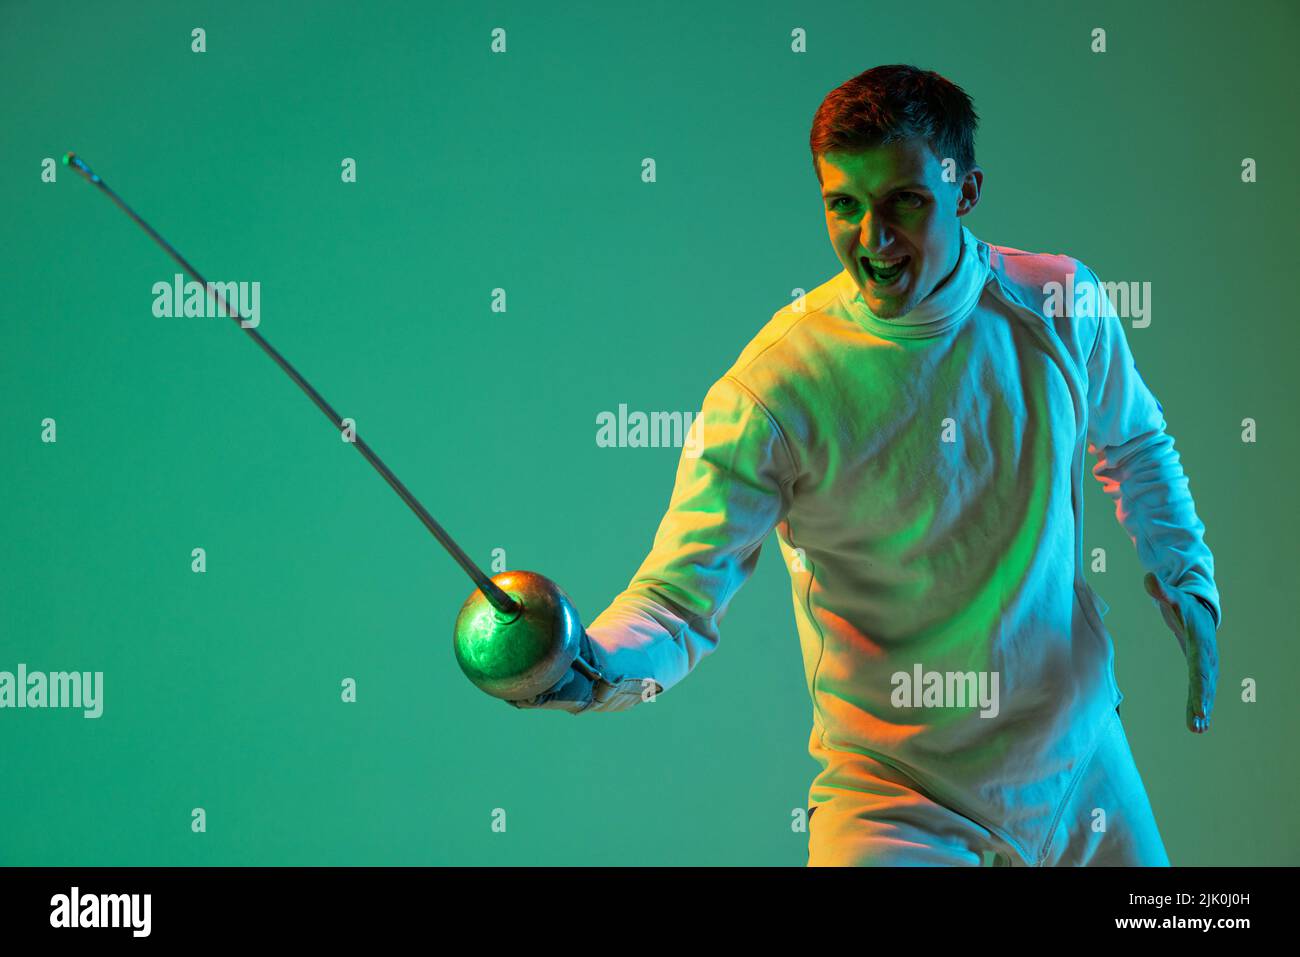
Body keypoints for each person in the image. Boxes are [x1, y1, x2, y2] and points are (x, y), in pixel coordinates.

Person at [509, 64, 1221, 867]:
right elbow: (677, 601)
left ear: (967, 189)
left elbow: (1134, 441)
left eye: (902, 203)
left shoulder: (1059, 304)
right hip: (894, 801)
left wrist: (1185, 575)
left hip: (1079, 765)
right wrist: (593, 664)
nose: (873, 240)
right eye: (842, 206)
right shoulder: (776, 388)